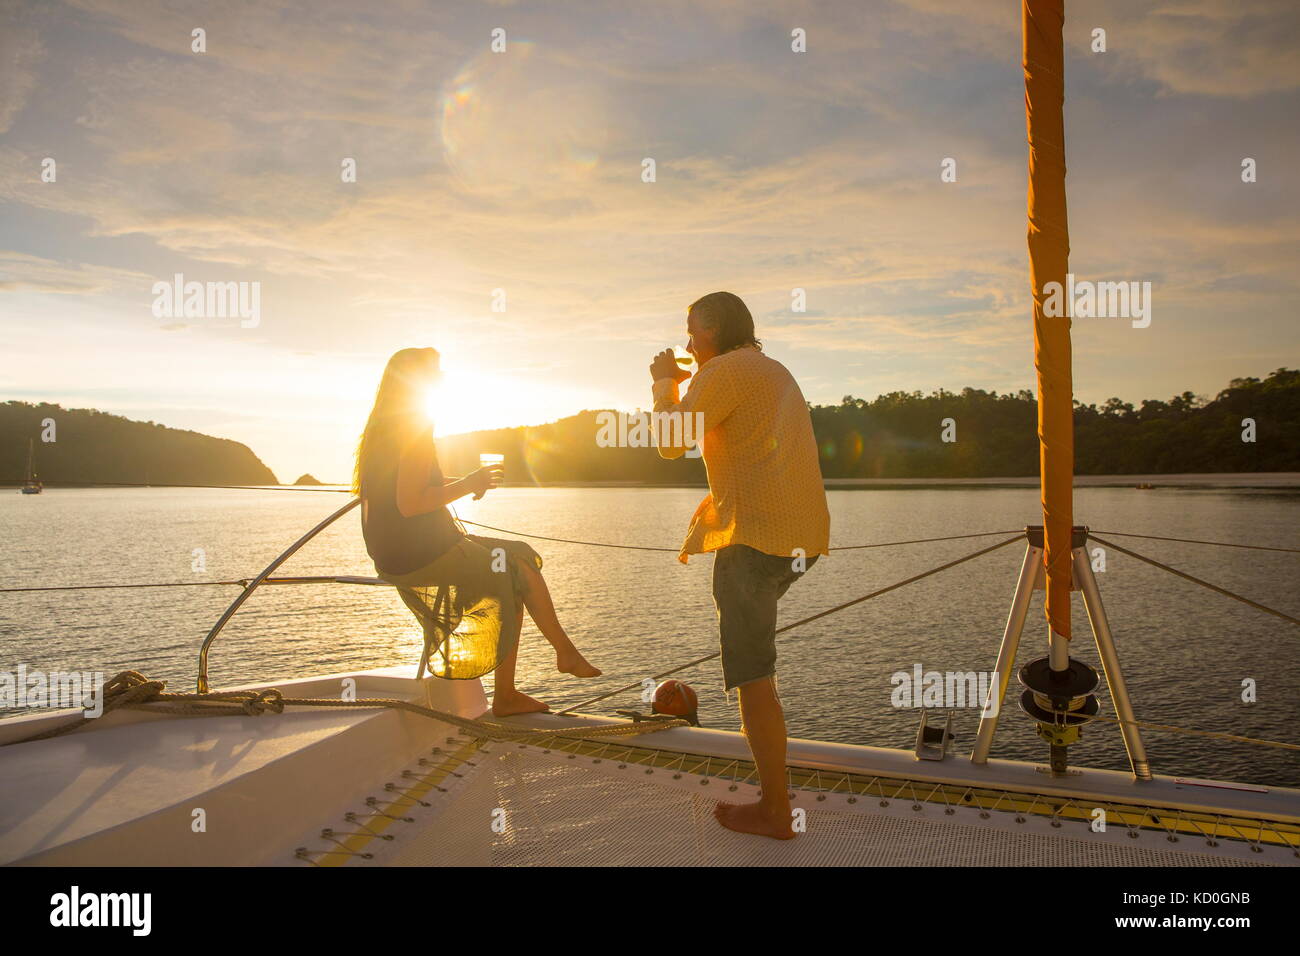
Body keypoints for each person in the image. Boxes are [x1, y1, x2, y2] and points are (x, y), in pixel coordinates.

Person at [649, 292, 830, 839]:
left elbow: (668, 442)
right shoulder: (773, 369)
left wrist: (664, 383)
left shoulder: (724, 369)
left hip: (752, 543)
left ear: (715, 331)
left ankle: (776, 809)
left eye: (692, 333)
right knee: (757, 668)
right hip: (802, 541)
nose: (686, 344)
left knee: (754, 679)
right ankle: (774, 795)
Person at [354, 347, 600, 716]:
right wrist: (471, 482)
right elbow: (410, 503)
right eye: (435, 371)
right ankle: (517, 687)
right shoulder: (414, 427)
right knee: (512, 570)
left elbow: (405, 488)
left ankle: (558, 656)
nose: (442, 377)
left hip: (394, 551)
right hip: (419, 553)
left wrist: (465, 482)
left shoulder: (384, 428)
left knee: (515, 552)